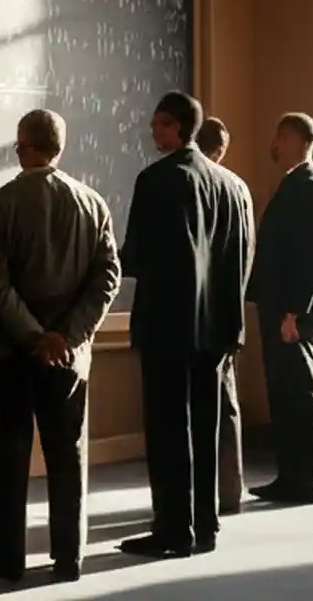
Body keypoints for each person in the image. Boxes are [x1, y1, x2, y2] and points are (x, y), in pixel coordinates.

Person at [0, 109, 121, 583]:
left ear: (26, 146)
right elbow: (107, 278)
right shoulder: (92, 202)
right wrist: (67, 336)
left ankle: (7, 557)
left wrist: (32, 334)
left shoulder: (3, 201)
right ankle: (68, 556)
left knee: (9, 455)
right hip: (68, 357)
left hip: (13, 351)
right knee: (68, 455)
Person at [118, 92, 252, 559]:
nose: (152, 132)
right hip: (216, 330)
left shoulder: (156, 180)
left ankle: (173, 528)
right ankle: (205, 525)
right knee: (205, 424)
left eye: (158, 125)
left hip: (167, 325)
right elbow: (241, 260)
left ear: (176, 128)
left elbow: (136, 255)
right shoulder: (232, 186)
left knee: (168, 430)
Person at [247, 112, 313, 505]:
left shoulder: (308, 185)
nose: (275, 145)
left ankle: (303, 480)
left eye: (280, 138)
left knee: (297, 393)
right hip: (283, 306)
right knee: (287, 392)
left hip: (290, 310)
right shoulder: (301, 182)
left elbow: (312, 253)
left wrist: (295, 312)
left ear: (294, 140)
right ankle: (292, 476)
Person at [196, 116, 256, 516]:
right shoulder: (240, 188)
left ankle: (193, 496)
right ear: (222, 149)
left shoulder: (191, 184)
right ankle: (229, 491)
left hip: (192, 315)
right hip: (227, 314)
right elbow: (248, 250)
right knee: (226, 404)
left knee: (191, 410)